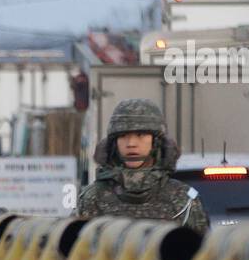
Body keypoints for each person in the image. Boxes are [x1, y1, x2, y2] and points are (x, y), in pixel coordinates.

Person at [78, 98, 208, 235]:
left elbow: (203, 252)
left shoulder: (183, 199)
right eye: (123, 135)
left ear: (156, 141)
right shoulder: (92, 198)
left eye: (141, 135)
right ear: (114, 143)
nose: (131, 143)